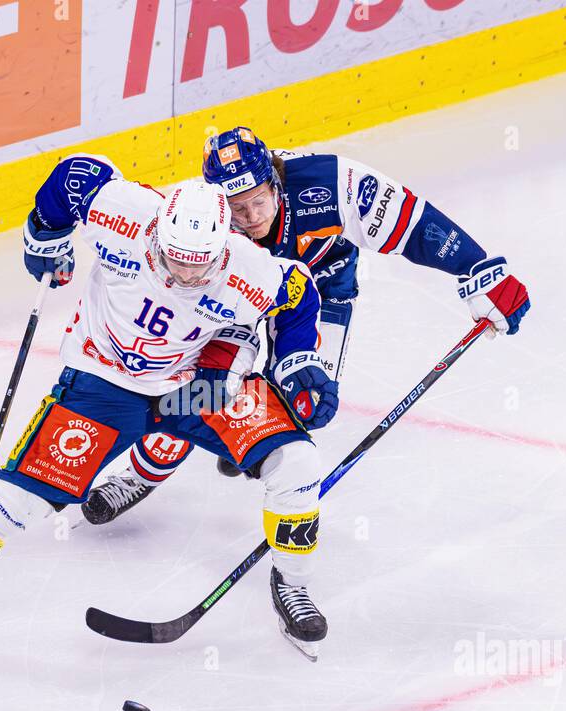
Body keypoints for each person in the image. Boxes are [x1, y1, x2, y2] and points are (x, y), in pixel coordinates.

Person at [0, 154, 340, 661]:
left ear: (223, 246)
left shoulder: (251, 271)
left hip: (194, 391)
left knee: (297, 460)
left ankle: (294, 582)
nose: (185, 271)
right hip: (100, 387)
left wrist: (299, 365)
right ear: (158, 232)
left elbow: (297, 296)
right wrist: (44, 236)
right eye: (174, 256)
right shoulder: (125, 213)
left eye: (199, 262)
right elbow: (75, 174)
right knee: (15, 503)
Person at [83, 126, 532, 521]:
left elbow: (414, 223)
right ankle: (141, 474)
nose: (252, 217)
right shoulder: (202, 218)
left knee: (309, 403)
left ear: (276, 181)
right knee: (196, 388)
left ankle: (252, 446)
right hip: (232, 301)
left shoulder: (331, 184)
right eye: (237, 210)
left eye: (259, 200)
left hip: (319, 290)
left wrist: (479, 269)